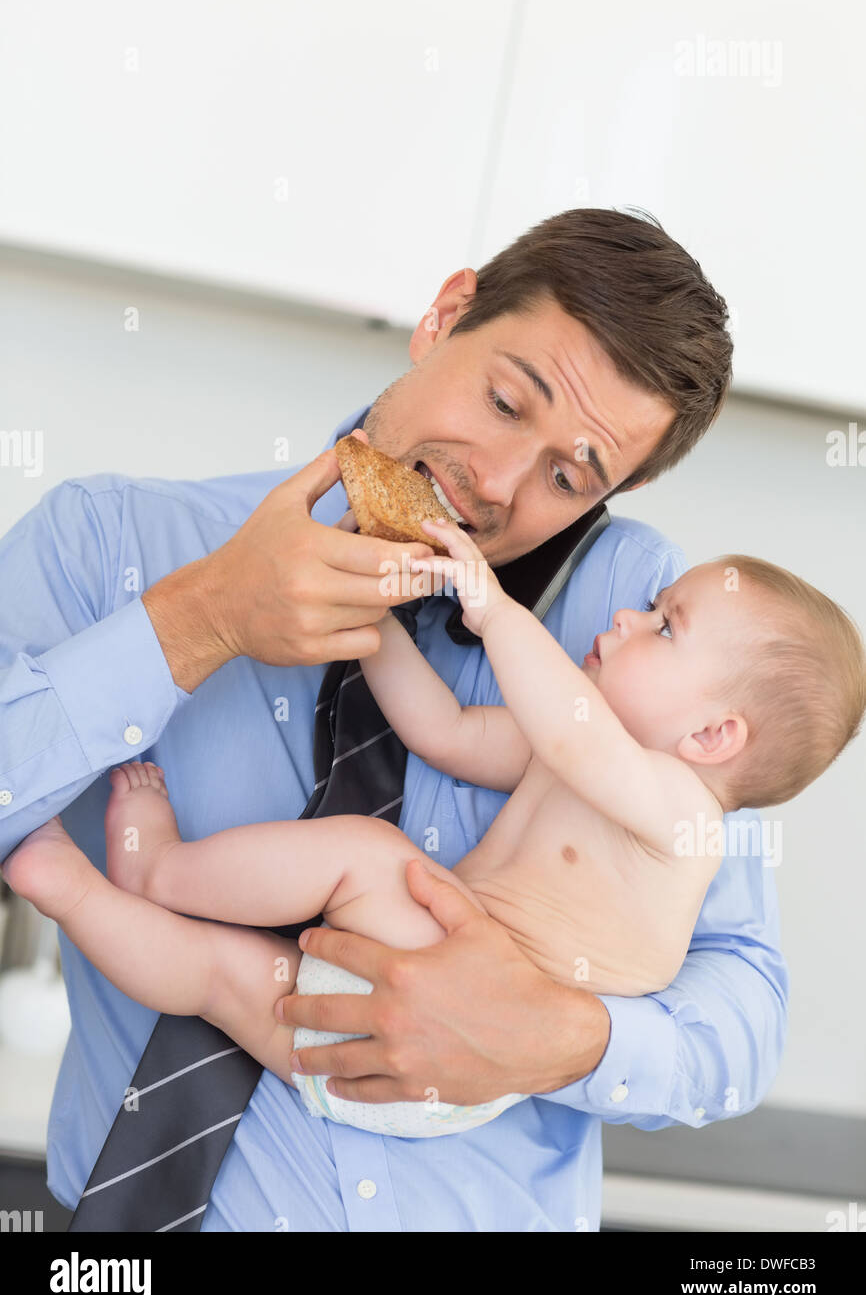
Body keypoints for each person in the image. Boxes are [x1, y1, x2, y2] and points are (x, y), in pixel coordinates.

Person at [0, 208, 789, 1231]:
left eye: (568, 476)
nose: (497, 485)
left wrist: (565, 1032)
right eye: (506, 400)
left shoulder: (624, 624)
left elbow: (743, 1001)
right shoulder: (114, 542)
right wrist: (200, 621)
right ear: (444, 315)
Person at [6, 523, 863, 1142]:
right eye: (648, 608)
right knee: (219, 976)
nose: (622, 622)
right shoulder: (572, 753)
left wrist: (493, 612)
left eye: (663, 626)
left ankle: (160, 872)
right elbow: (444, 728)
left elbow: (571, 729)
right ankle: (74, 891)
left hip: (460, 1052)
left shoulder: (683, 820)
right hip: (387, 1054)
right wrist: (372, 622)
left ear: (714, 738)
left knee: (373, 858)